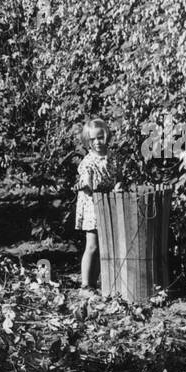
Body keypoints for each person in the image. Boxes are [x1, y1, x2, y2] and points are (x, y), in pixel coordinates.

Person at [74, 118, 116, 291]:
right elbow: (87, 183)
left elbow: (118, 177)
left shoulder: (112, 158)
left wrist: (118, 185)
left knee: (104, 246)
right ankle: (86, 284)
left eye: (100, 138)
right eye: (92, 140)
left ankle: (95, 282)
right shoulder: (88, 162)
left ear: (106, 137)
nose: (97, 142)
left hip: (109, 204)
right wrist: (86, 185)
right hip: (92, 206)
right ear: (87, 142)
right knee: (92, 245)